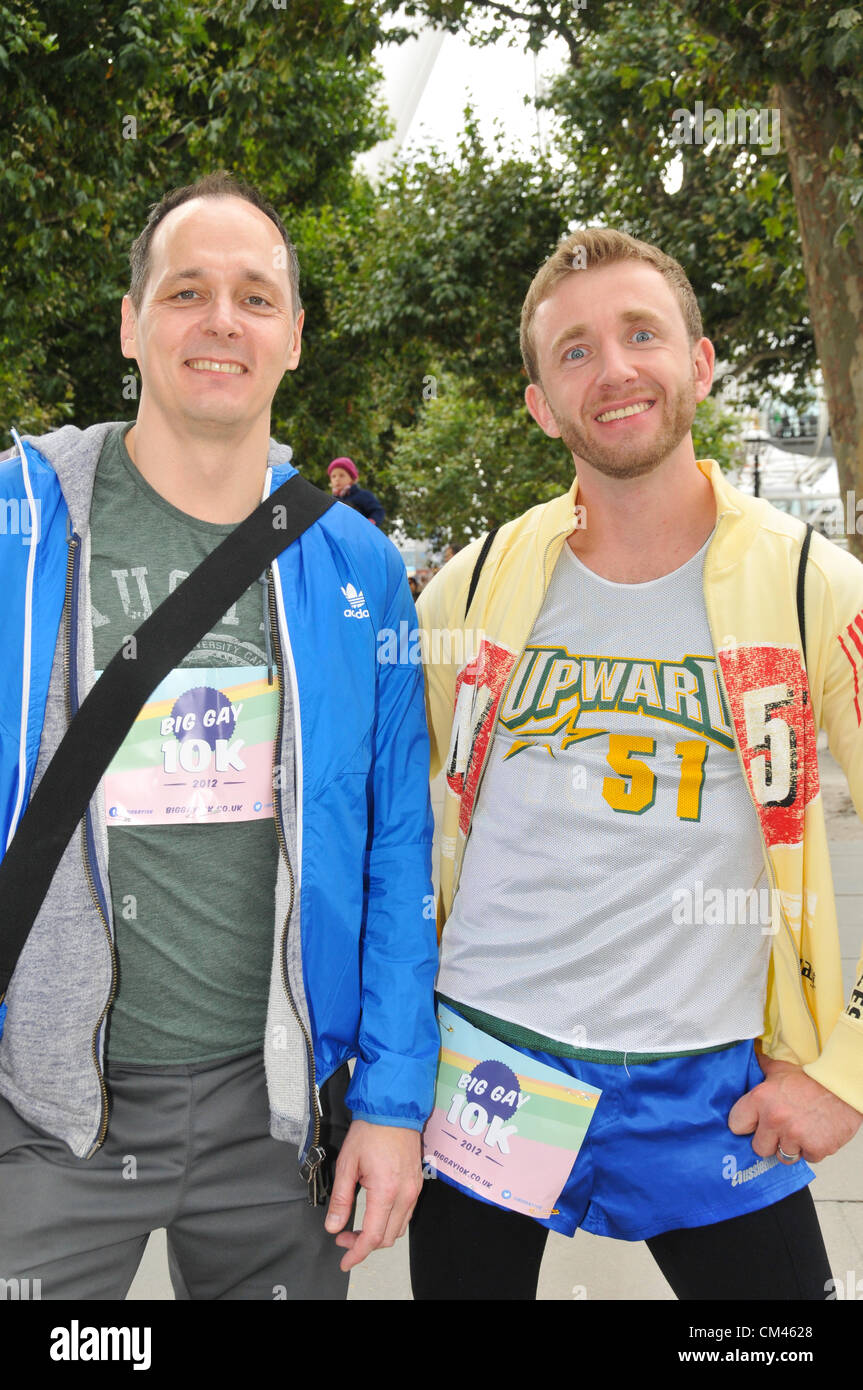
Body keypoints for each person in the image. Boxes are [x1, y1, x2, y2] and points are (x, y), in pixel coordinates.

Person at [0, 172, 438, 1300]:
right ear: (131, 324)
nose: (221, 321)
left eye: (255, 296)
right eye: (186, 290)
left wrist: (390, 1101)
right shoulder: (22, 523)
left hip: (277, 1112)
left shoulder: (354, 563)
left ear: (293, 337)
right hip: (45, 1109)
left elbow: (397, 848)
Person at [411, 227, 863, 1301]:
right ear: (538, 404)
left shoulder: (813, 586)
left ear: (698, 364)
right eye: (571, 351)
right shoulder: (470, 587)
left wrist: (847, 1070)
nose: (610, 369)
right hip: (488, 1065)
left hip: (708, 1084)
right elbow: (366, 811)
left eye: (639, 334)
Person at [327, 456, 385, 527]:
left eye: (342, 475)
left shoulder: (363, 495)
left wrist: (370, 523)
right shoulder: (331, 501)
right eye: (333, 476)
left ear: (352, 478)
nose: (337, 479)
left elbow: (377, 511)